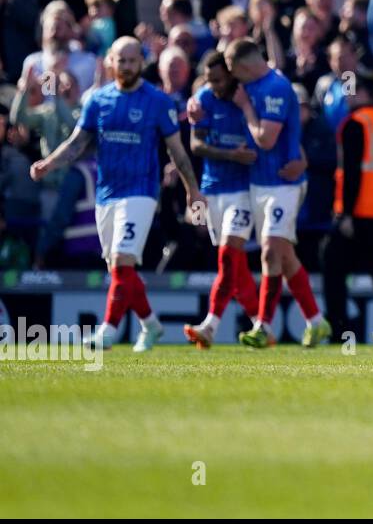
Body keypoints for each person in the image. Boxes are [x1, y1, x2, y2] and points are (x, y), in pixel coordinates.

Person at [30, 37, 205, 351]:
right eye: (120, 60)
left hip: (141, 192)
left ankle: (107, 331)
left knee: (123, 260)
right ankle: (151, 325)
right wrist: (49, 163)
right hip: (107, 193)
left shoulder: (158, 101)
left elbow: (176, 151)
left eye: (132, 60)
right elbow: (77, 142)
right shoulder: (98, 100)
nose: (126, 66)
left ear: (141, 62)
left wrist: (193, 190)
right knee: (119, 268)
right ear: (110, 62)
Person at [222, 38, 328, 348]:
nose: (232, 77)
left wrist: (245, 108)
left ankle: (262, 326)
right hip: (260, 182)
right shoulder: (251, 87)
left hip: (284, 184)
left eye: (232, 69)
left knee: (270, 251)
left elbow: (266, 140)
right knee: (285, 255)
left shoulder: (275, 89)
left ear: (244, 64)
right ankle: (317, 322)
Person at [183, 51, 260, 347]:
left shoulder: (248, 97)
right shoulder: (203, 99)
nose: (213, 85)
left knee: (228, 256)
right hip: (213, 187)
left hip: (242, 188)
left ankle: (210, 325)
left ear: (231, 74)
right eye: (209, 80)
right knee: (235, 266)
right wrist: (231, 155)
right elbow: (196, 145)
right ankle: (261, 324)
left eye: (218, 79)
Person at [323, 74, 373, 341]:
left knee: (332, 267)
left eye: (352, 91)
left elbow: (352, 173)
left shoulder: (355, 124)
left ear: (365, 94)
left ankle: (340, 331)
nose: (348, 96)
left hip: (359, 215)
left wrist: (345, 213)